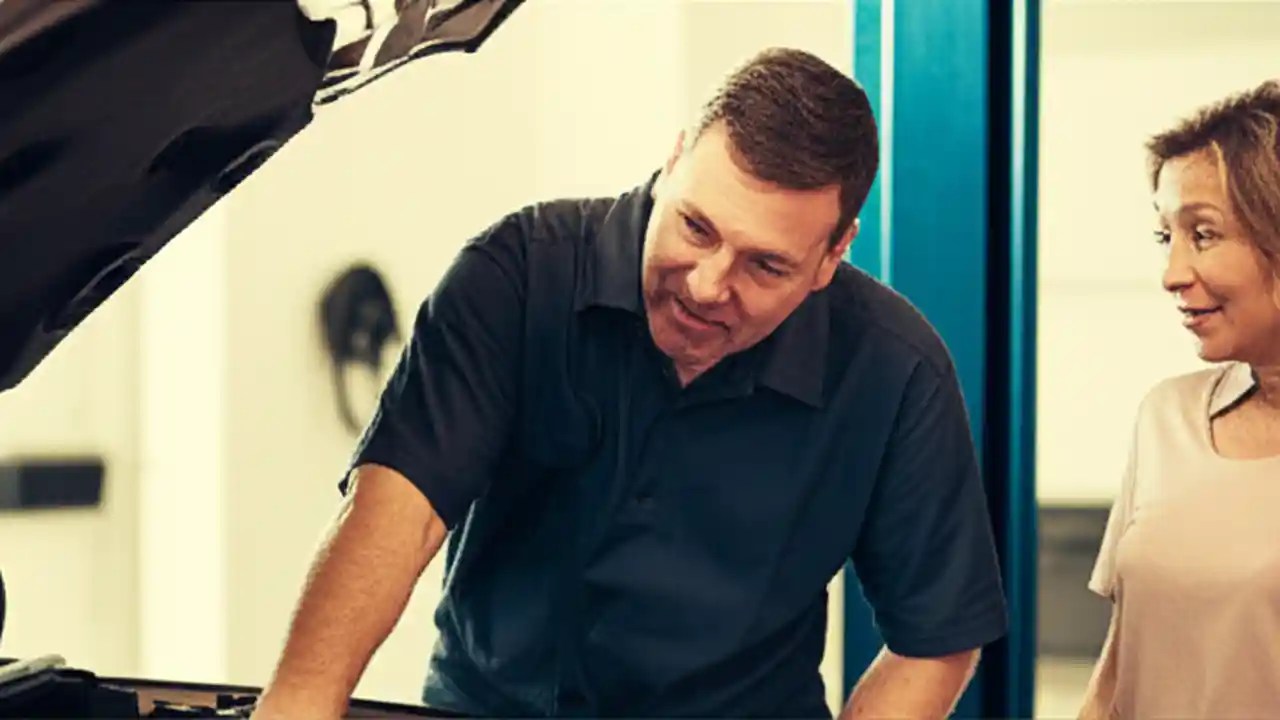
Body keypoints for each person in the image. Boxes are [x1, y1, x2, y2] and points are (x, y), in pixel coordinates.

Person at [252, 47, 1008, 720]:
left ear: (832, 254)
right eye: (696, 227)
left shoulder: (895, 370)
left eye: (765, 265)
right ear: (673, 160)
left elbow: (935, 637)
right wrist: (298, 705)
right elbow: (396, 513)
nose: (709, 286)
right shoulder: (519, 277)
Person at [1079, 80, 1280, 720]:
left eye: (1205, 233)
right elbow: (1120, 662)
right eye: (1167, 236)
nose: (1172, 274)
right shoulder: (1165, 418)